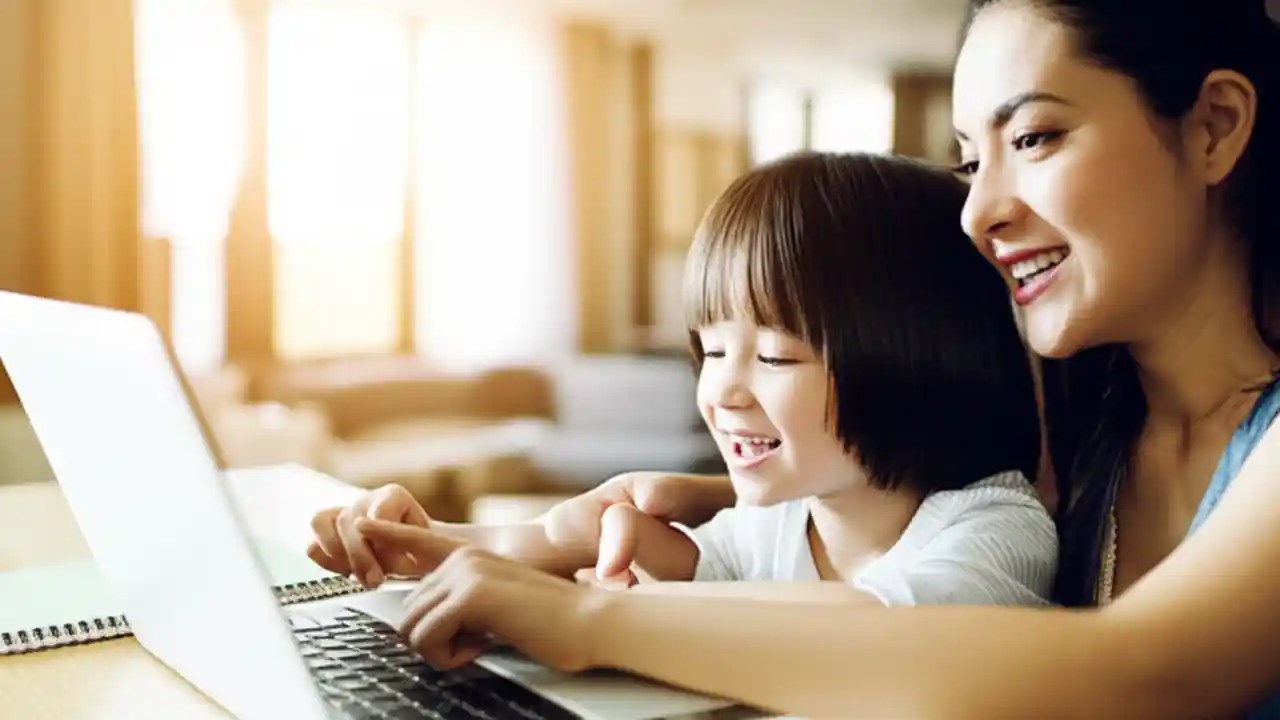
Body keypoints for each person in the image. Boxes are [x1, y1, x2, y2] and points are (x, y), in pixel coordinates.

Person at [310, 0, 1280, 716]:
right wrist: (462, 548)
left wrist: (580, 621)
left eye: (1032, 136)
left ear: (1213, 126)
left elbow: (1146, 671)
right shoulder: (1083, 417)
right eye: (968, 160)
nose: (978, 211)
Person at [313, 152, 1057, 609]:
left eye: (772, 357)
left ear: (914, 359)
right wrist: (435, 542)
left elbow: (876, 627)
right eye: (709, 351)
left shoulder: (992, 532)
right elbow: (629, 547)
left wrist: (604, 618)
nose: (723, 394)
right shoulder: (780, 524)